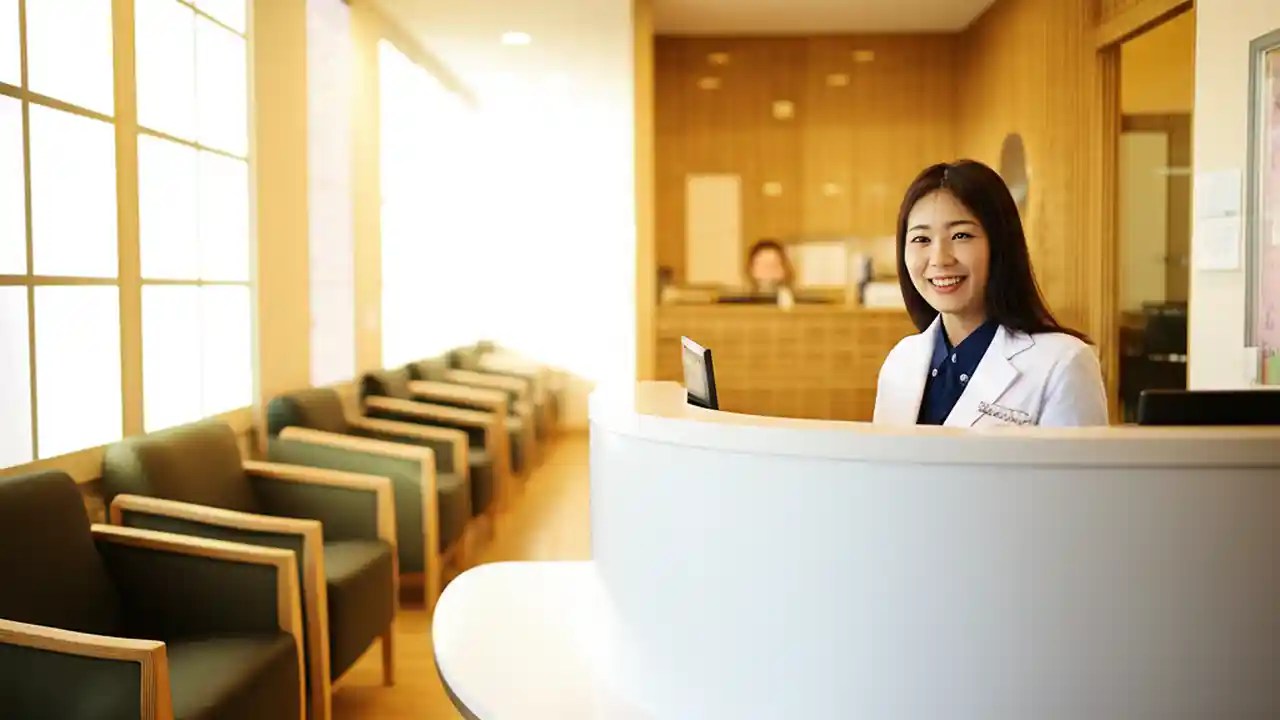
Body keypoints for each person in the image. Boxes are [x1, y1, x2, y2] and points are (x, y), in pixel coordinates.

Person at [873, 160, 1108, 428]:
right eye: (921, 239)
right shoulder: (901, 361)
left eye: (961, 235)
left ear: (1001, 244)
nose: (939, 259)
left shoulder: (1064, 363)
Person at [745, 239, 796, 308]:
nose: (768, 271)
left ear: (784, 269)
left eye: (774, 265)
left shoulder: (795, 301)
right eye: (763, 266)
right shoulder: (743, 303)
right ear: (751, 269)